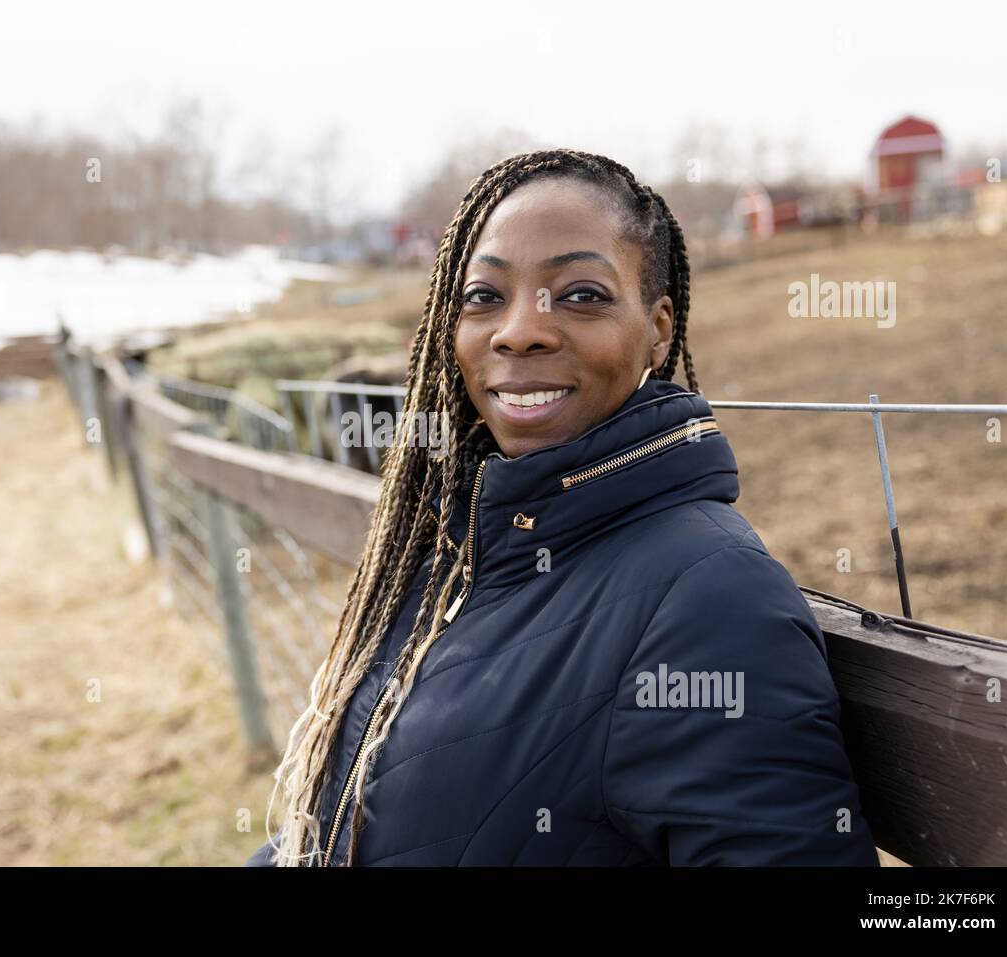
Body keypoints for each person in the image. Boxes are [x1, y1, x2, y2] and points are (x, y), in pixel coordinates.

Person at [247, 148, 878, 867]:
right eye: (484, 296)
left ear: (659, 329)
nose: (519, 329)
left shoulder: (712, 601)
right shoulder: (453, 551)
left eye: (580, 294)